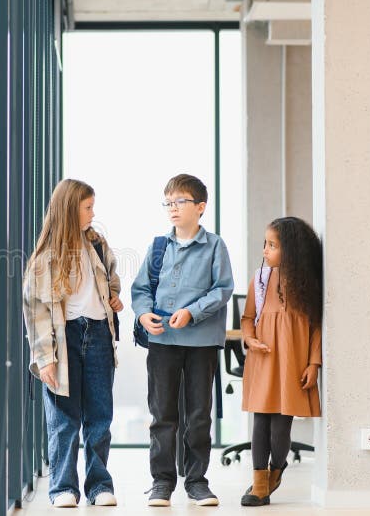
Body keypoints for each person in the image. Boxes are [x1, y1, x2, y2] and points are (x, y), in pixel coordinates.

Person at [131, 174, 234, 507]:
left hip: (201, 343)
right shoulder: (158, 246)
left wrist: (191, 312)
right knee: (162, 414)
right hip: (162, 343)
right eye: (168, 202)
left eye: (180, 201)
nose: (173, 208)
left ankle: (197, 481)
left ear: (200, 207)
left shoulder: (215, 246)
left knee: (198, 415)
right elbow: (141, 289)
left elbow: (222, 289)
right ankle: (161, 482)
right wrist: (144, 314)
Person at [22, 179, 123, 508]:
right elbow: (35, 310)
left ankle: (99, 486)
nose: (93, 214)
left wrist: (115, 297)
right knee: (63, 418)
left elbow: (112, 278)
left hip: (99, 336)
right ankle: (63, 487)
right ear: (69, 210)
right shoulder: (45, 258)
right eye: (88, 208)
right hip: (63, 338)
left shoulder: (96, 243)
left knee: (100, 416)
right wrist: (44, 357)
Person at [239, 216, 322, 507]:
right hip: (264, 359)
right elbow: (248, 318)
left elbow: (316, 327)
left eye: (272, 245)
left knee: (281, 424)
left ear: (293, 250)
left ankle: (276, 469)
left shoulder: (309, 285)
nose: (265, 250)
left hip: (293, 361)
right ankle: (260, 484)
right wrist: (250, 339)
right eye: (266, 244)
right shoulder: (260, 279)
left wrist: (313, 364)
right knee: (260, 420)